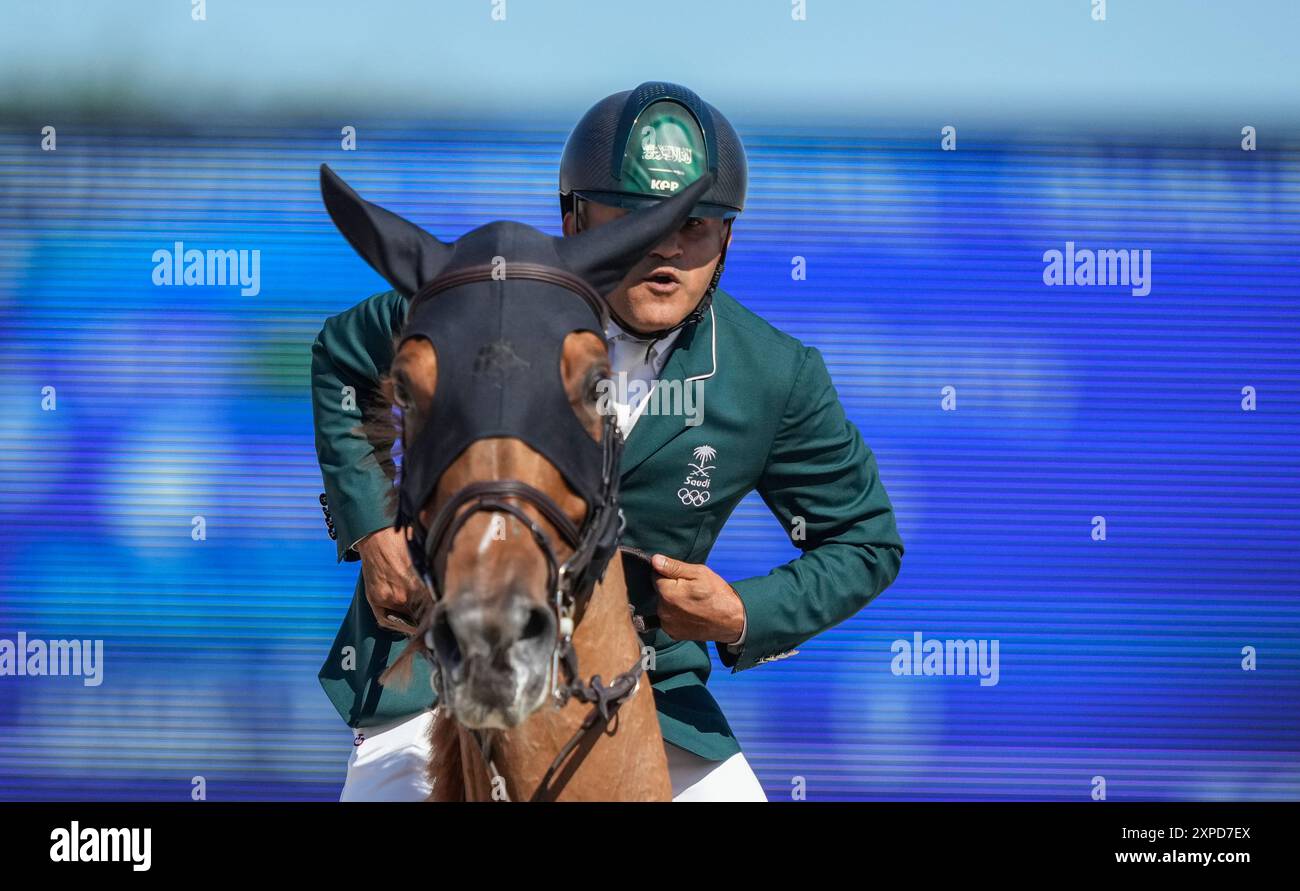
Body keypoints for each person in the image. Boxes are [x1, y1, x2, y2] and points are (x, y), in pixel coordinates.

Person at [312, 81, 904, 801]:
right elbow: (343, 354)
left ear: (727, 238)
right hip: (445, 668)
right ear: (575, 216)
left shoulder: (774, 375)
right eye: (634, 218)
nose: (666, 249)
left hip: (639, 690)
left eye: (696, 225)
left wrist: (741, 613)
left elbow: (866, 543)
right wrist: (372, 527)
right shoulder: (486, 297)